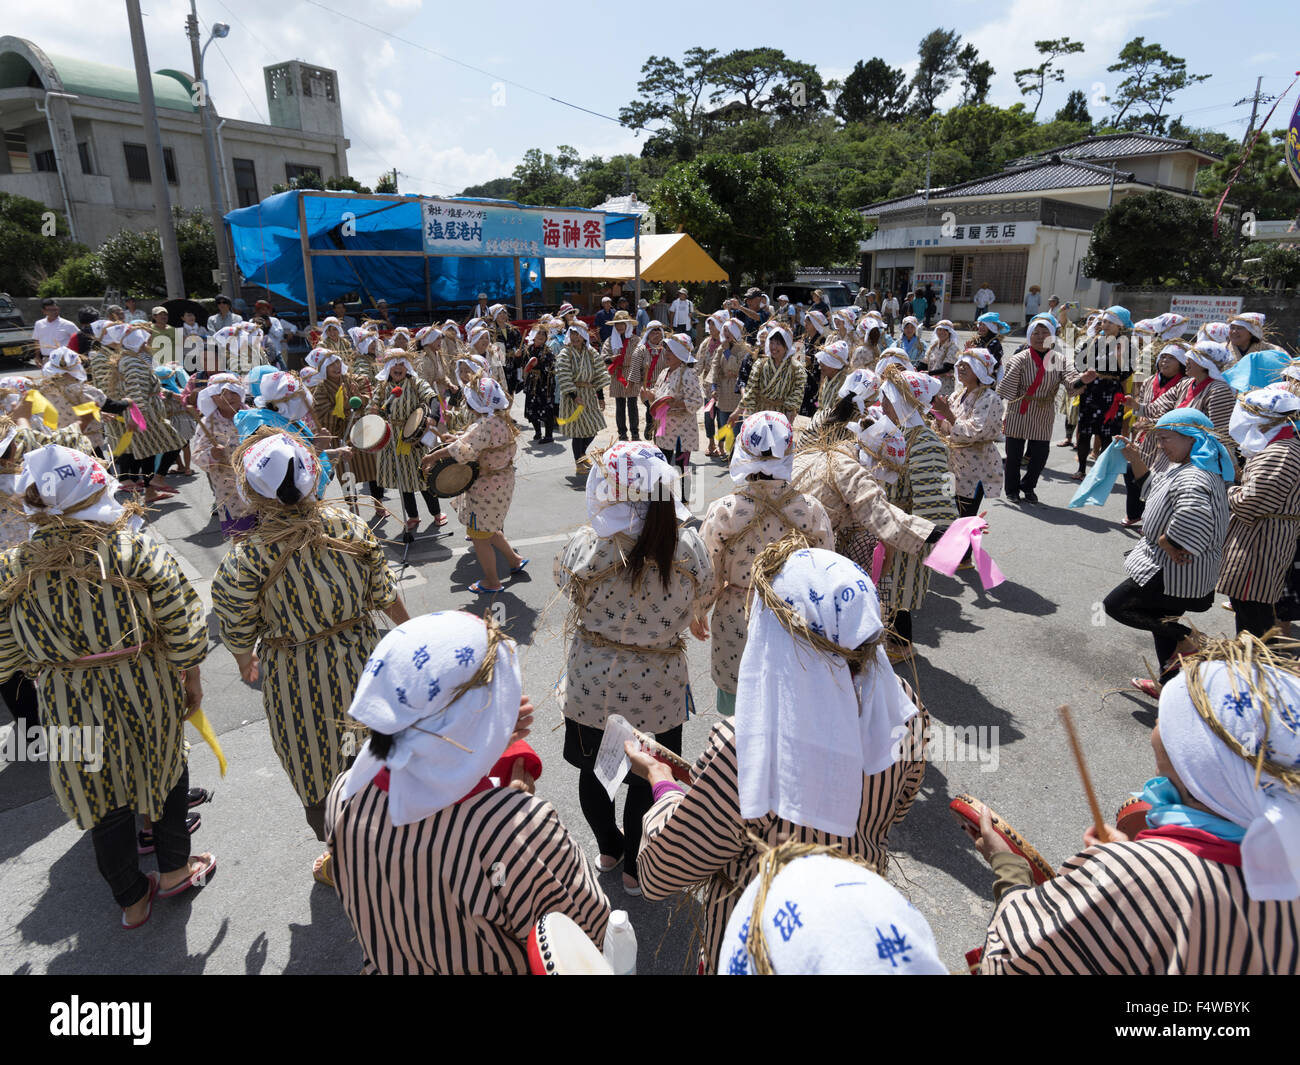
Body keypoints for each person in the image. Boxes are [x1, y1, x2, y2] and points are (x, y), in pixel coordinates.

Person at [632, 543, 928, 973]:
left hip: (759, 949)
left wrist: (662, 786)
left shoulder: (747, 744)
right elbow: (896, 810)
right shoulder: (904, 709)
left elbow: (661, 873)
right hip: (853, 936)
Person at [971, 634, 1300, 974]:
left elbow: (1010, 964)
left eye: (1169, 719)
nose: (1156, 727)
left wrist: (1009, 870)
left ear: (1198, 758)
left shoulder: (1141, 879)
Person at [0, 445, 214, 928]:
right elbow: (181, 618)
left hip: (63, 695)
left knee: (98, 792)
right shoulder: (131, 548)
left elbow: (4, 652)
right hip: (144, 681)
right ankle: (176, 870)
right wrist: (191, 675)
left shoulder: (15, 566)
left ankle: (131, 898)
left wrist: (42, 663)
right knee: (164, 768)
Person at [326, 610, 610, 973]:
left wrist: (473, 743)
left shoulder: (347, 791)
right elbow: (585, 937)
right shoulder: (518, 831)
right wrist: (515, 805)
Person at [211, 429, 410, 884]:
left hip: (295, 673)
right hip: (362, 659)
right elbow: (384, 593)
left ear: (250, 490)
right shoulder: (348, 525)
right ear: (311, 477)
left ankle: (344, 860)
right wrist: (413, 634)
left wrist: (245, 660)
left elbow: (236, 625)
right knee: (375, 749)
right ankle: (399, 847)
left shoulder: (247, 558)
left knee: (314, 760)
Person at [555, 442, 711, 896]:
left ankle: (609, 848)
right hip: (659, 686)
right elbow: (701, 598)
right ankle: (637, 870)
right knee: (650, 776)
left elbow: (565, 587)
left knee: (593, 772)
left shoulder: (588, 545)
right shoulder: (687, 544)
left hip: (593, 685)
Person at [698, 412, 833, 717]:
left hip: (738, 617)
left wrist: (699, 610)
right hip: (794, 619)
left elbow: (708, 571)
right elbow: (826, 570)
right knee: (787, 709)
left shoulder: (725, 511)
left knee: (739, 716)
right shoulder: (811, 510)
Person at [1106, 409, 1232, 698]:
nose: (1161, 445)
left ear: (1192, 438)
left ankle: (1189, 639)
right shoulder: (1190, 465)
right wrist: (1135, 459)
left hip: (1172, 570)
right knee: (1163, 621)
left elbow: (1195, 513)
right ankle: (1172, 687)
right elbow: (1154, 489)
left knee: (1116, 605)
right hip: (1178, 570)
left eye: (1165, 439)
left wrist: (1169, 541)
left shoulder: (1195, 476)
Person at [877, 368, 956, 660]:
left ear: (902, 402)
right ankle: (892, 640)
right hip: (888, 528)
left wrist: (923, 536)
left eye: (886, 399)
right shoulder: (896, 434)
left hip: (906, 534)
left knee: (899, 591)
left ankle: (901, 646)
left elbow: (939, 498)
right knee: (888, 590)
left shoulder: (925, 443)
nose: (882, 405)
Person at [421, 376, 527, 594]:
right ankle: (514, 560)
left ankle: (492, 581)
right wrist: (458, 437)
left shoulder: (484, 425)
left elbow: (462, 450)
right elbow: (474, 441)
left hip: (486, 487)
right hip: (502, 482)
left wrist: (433, 457)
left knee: (479, 534)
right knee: (489, 527)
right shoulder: (501, 419)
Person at [1217, 386, 1300, 637]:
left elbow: (1250, 502)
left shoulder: (1280, 452)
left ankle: (1257, 666)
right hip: (1262, 533)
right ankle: (1254, 663)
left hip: (1262, 538)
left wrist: (1226, 490)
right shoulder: (1279, 444)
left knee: (1253, 611)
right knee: (1249, 607)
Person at [371, 348, 444, 534]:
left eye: (402, 364)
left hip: (415, 437)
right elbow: (373, 407)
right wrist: (372, 412)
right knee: (403, 479)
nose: (398, 367)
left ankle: (436, 512)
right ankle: (412, 516)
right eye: (394, 364)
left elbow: (432, 398)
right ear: (388, 367)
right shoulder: (381, 387)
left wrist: (434, 416)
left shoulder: (415, 383)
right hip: (392, 439)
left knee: (423, 476)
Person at [997, 314, 1064, 504]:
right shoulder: (1020, 358)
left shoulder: (1058, 359)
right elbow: (1006, 386)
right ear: (1029, 335)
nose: (1040, 336)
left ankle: (1028, 486)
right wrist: (994, 405)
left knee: (1040, 455)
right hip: (1019, 409)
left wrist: (1080, 381)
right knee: (1014, 456)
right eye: (1036, 332)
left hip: (1043, 410)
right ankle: (1012, 489)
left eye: (1045, 332)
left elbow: (1070, 376)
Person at [307, 346, 383, 513]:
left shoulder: (356, 380)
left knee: (373, 469)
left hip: (361, 431)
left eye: (336, 362)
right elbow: (321, 415)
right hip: (340, 436)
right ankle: (353, 507)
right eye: (330, 364)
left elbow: (367, 396)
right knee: (347, 475)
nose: (335, 367)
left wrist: (359, 400)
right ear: (322, 369)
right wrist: (343, 407)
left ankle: (379, 503)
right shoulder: (320, 390)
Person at [1121, 339, 1187, 527]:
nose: (1165, 361)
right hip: (1144, 437)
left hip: (1168, 438)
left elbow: (1177, 413)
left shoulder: (1182, 385)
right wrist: (1137, 416)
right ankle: (1134, 514)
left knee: (1156, 480)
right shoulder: (1150, 380)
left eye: (1171, 358)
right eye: (1163, 357)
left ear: (1181, 364)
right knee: (1131, 472)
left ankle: (1152, 519)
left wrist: (1151, 423)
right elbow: (1141, 402)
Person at [932, 347, 1005, 516]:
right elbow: (944, 429)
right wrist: (938, 417)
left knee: (963, 517)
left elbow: (975, 431)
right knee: (947, 512)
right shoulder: (957, 395)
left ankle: (968, 543)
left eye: (968, 365)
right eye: (960, 364)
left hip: (974, 466)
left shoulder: (990, 398)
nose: (961, 367)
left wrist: (947, 414)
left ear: (980, 370)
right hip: (951, 464)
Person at [1065, 304, 1133, 481]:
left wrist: (1119, 357)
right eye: (1104, 321)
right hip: (1091, 390)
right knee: (1085, 431)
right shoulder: (1092, 341)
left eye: (1111, 322)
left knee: (1107, 433)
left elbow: (1127, 373)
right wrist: (1084, 375)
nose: (1106, 325)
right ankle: (1081, 468)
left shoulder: (1126, 345)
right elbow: (1078, 363)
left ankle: (1100, 469)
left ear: (1120, 326)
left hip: (1111, 391)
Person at [191, 373, 256, 538]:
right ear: (212, 397)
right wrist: (211, 454)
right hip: (229, 491)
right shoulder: (208, 424)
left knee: (265, 532)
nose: (228, 397)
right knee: (241, 536)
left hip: (258, 486)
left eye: (233, 392)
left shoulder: (254, 417)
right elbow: (197, 457)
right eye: (221, 393)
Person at [642, 333, 703, 477]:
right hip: (665, 428)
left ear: (679, 353)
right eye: (666, 350)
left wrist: (675, 403)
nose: (666, 354)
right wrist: (649, 395)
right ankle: (664, 498)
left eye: (670, 351)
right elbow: (657, 393)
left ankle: (681, 499)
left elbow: (697, 401)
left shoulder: (688, 374)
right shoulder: (664, 372)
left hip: (682, 430)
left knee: (681, 468)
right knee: (662, 465)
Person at [555, 321, 611, 475]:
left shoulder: (591, 352)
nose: (575, 337)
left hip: (589, 394)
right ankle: (579, 462)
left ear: (584, 336)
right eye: (572, 333)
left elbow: (599, 373)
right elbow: (563, 374)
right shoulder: (565, 353)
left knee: (592, 428)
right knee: (579, 431)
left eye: (578, 334)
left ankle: (581, 454)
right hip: (573, 395)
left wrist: (600, 397)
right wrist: (574, 395)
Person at [731, 326, 806, 425]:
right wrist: (737, 412)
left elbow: (796, 396)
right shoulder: (760, 364)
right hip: (759, 414)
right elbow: (750, 391)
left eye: (778, 343)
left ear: (786, 346)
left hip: (781, 417)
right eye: (771, 342)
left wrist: (787, 421)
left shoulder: (797, 369)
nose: (773, 347)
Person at [700, 318, 745, 456]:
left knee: (737, 426)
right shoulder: (721, 347)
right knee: (724, 422)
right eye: (724, 330)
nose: (725, 333)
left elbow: (736, 367)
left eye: (728, 330)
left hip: (737, 390)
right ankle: (728, 450)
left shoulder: (743, 348)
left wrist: (727, 353)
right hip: (724, 390)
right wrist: (714, 387)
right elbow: (715, 367)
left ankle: (735, 454)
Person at [603, 310, 641, 442]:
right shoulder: (610, 341)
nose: (619, 326)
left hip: (631, 374)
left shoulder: (636, 340)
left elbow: (640, 356)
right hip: (617, 375)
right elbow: (603, 358)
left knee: (632, 404)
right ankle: (622, 433)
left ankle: (635, 433)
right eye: (617, 324)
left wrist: (627, 360)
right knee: (620, 405)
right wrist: (612, 359)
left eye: (622, 323)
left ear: (627, 324)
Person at [521, 322, 558, 443]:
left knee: (546, 409)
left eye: (544, 334)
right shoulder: (528, 349)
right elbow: (523, 364)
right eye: (538, 333)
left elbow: (551, 367)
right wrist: (517, 357)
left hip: (544, 384)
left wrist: (539, 365)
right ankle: (537, 431)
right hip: (532, 383)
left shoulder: (548, 351)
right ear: (533, 335)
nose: (541, 336)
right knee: (532, 409)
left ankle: (548, 435)